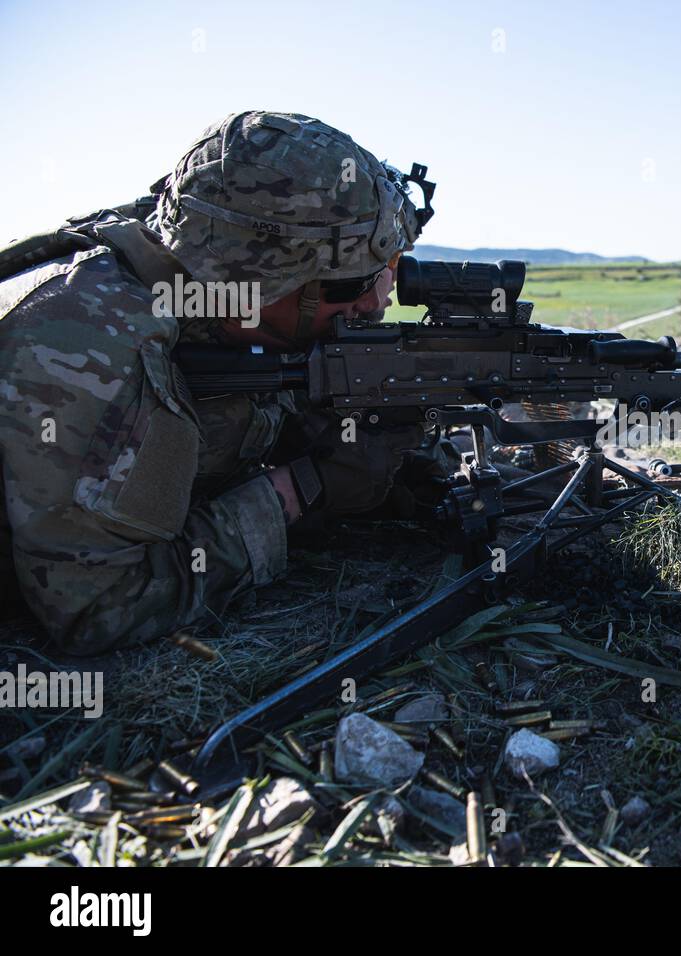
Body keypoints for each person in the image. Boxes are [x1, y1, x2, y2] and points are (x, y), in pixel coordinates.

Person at [0, 111, 446, 655]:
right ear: (254, 282)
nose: (376, 302)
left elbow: (224, 396)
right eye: (352, 283)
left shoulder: (191, 263)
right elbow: (99, 606)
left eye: (391, 268)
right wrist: (302, 490)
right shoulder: (91, 347)